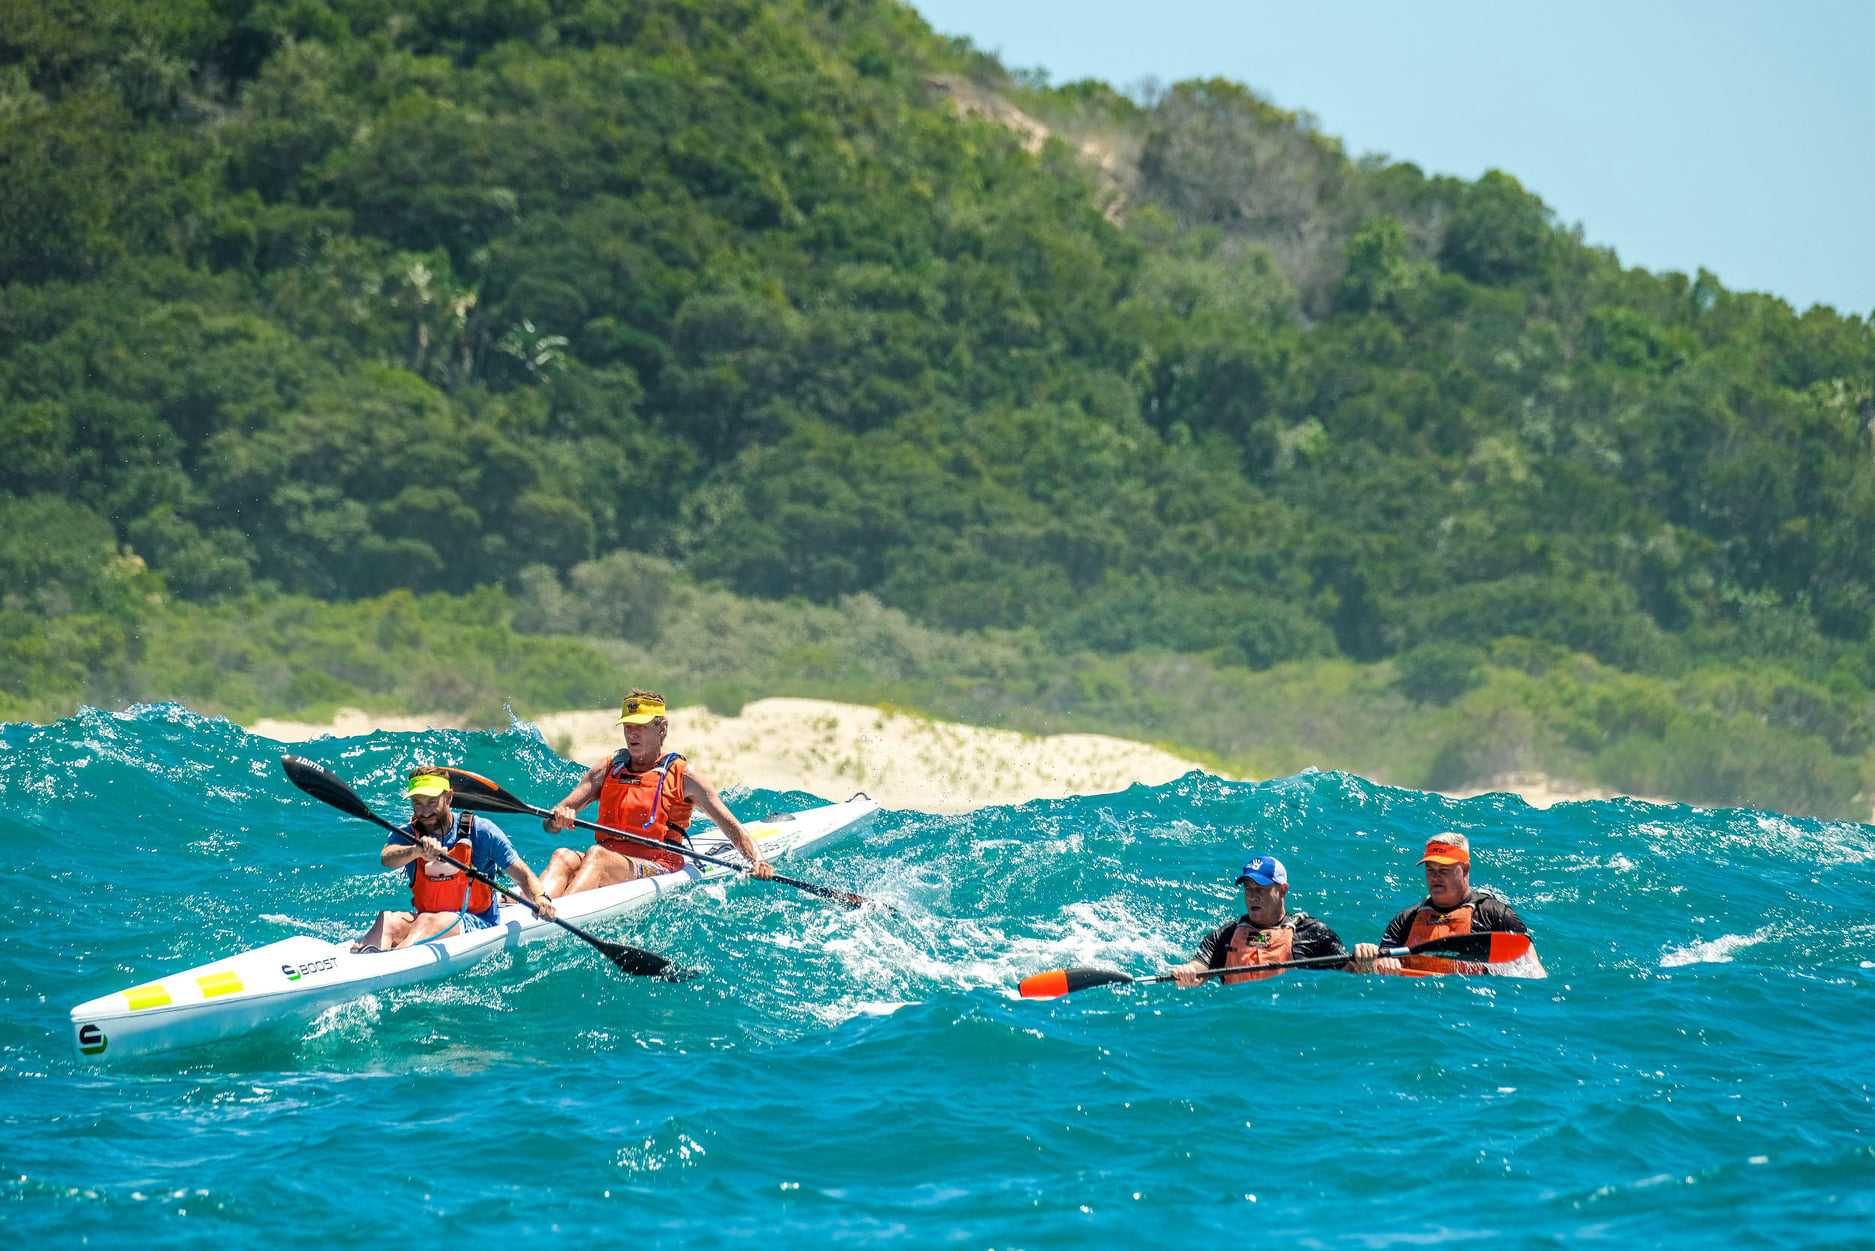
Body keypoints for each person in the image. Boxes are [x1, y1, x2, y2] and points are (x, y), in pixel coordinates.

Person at [537, 690, 775, 896]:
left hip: (658, 865)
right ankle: (534, 906)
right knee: (563, 856)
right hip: (607, 862)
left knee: (597, 857)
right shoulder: (609, 768)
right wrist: (558, 819)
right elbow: (549, 825)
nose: (632, 734)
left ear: (662, 728)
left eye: (640, 727)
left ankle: (557, 915)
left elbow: (731, 826)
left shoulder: (683, 775)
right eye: (628, 727)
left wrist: (758, 860)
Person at [352, 768, 557, 952]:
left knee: (427, 922)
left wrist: (540, 897)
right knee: (387, 920)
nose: (424, 812)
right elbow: (387, 858)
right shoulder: (409, 834)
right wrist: (416, 851)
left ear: (449, 798)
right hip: (429, 920)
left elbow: (522, 875)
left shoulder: (481, 831)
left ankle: (394, 964)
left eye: (432, 802)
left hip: (479, 922)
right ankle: (366, 962)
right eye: (417, 803)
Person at [1349, 832, 1534, 975]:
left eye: (1444, 869)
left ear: (1465, 869)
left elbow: (1532, 972)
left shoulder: (1495, 914)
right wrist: (1370, 962)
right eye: (1430, 870)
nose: (1435, 876)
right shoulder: (1405, 920)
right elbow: (1379, 969)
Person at [1171, 856, 1349, 986]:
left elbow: (1351, 972)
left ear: (1282, 890)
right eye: (1248, 889)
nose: (1252, 897)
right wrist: (1187, 973)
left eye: (1261, 889)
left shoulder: (1313, 933)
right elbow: (1198, 969)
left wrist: (1362, 960)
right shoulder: (1224, 936)